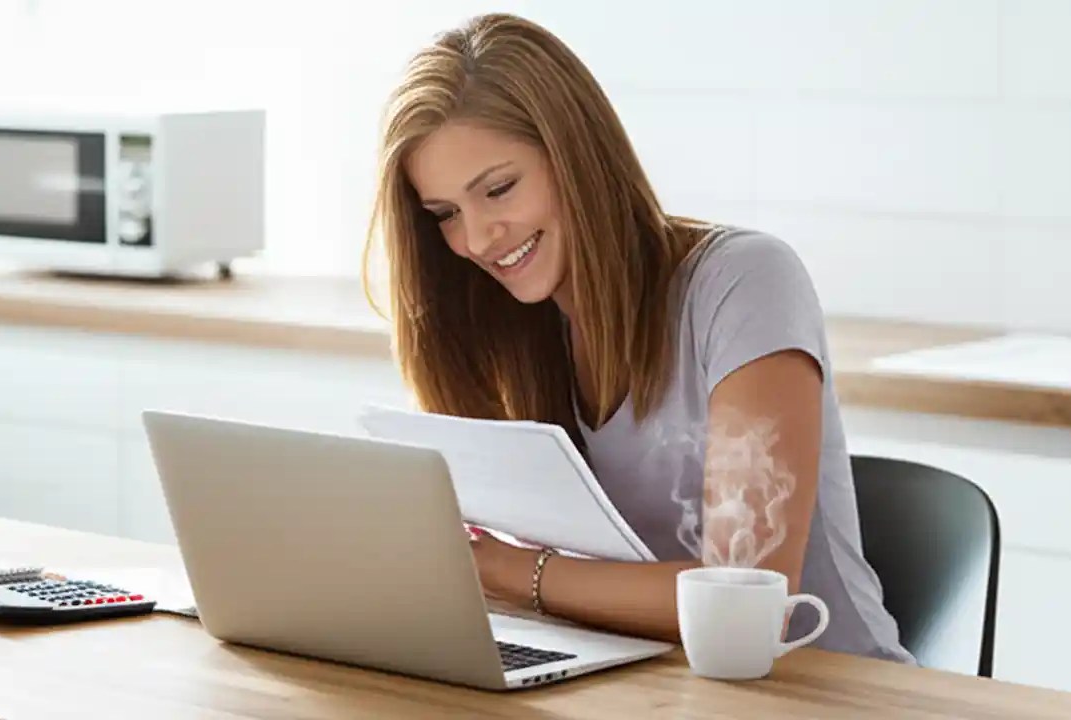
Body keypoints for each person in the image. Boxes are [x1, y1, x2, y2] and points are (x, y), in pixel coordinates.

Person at [362, 12, 914, 664]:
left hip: (828, 696)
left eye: (500, 189)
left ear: (575, 154)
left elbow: (744, 596)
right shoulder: (515, 329)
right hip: (648, 689)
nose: (478, 239)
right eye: (446, 215)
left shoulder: (744, 283)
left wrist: (510, 571)